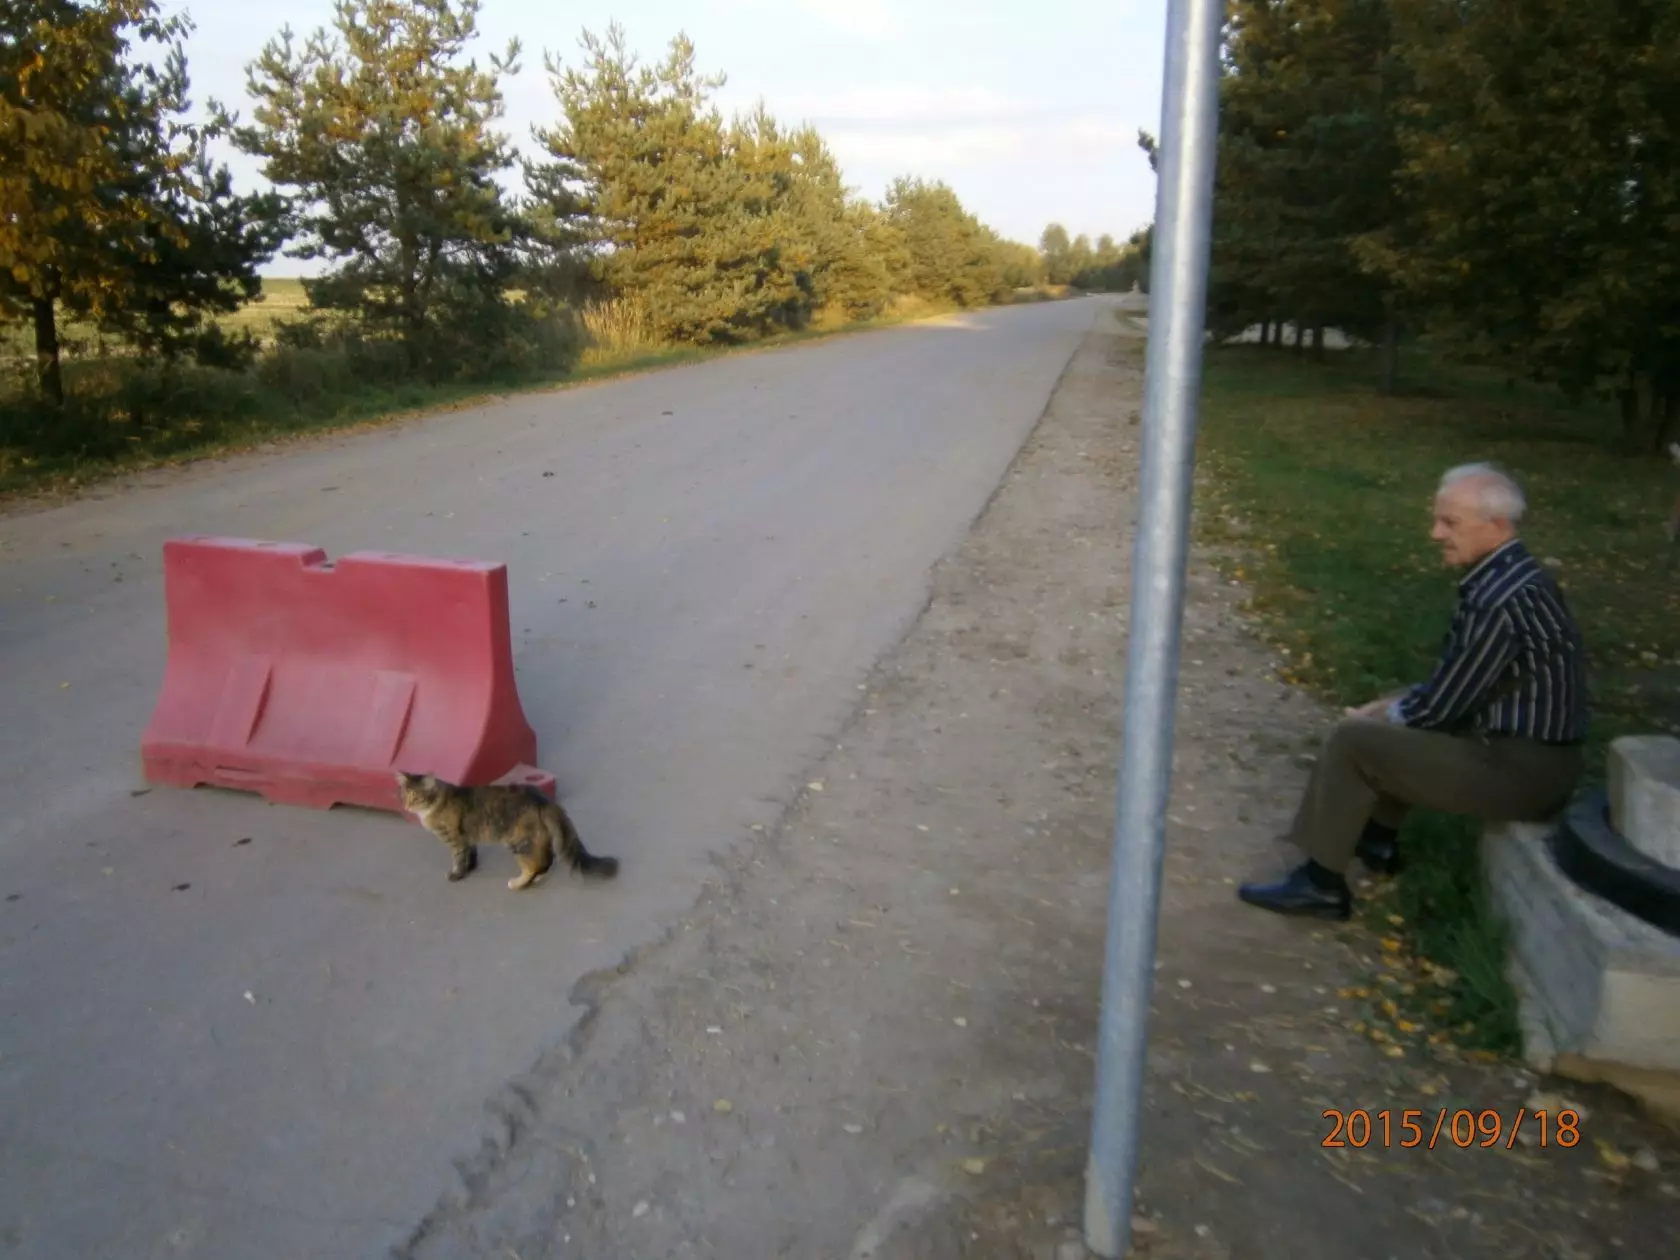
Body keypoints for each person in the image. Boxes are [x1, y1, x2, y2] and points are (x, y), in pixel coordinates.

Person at [1237, 462, 1591, 920]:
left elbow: (1442, 708)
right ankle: (1377, 841)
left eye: (1450, 523)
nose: (1435, 533)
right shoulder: (1519, 579)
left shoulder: (1497, 599)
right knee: (1398, 711)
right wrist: (1394, 706)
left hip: (1521, 774)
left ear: (1497, 525)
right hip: (1541, 760)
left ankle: (1321, 883)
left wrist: (1377, 717)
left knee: (1355, 740)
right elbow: (1462, 686)